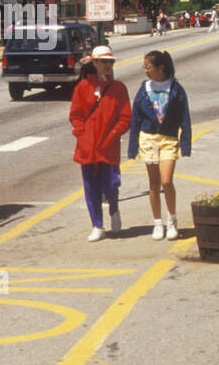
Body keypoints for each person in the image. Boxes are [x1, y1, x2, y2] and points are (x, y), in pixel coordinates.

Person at [69, 45, 131, 242]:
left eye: (110, 62)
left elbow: (125, 117)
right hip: (87, 147)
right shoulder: (82, 87)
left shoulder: (119, 88)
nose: (108, 65)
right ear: (94, 63)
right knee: (91, 187)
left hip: (109, 146)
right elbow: (76, 114)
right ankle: (97, 225)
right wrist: (81, 133)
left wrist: (113, 135)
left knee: (111, 184)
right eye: (104, 62)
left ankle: (114, 210)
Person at [129, 49, 192, 241]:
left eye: (148, 67)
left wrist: (186, 142)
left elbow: (184, 117)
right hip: (148, 139)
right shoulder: (143, 88)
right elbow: (136, 118)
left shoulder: (175, 88)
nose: (145, 70)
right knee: (153, 184)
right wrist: (132, 147)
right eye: (144, 67)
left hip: (168, 139)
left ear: (160, 67)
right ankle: (158, 223)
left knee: (166, 181)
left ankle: (172, 220)